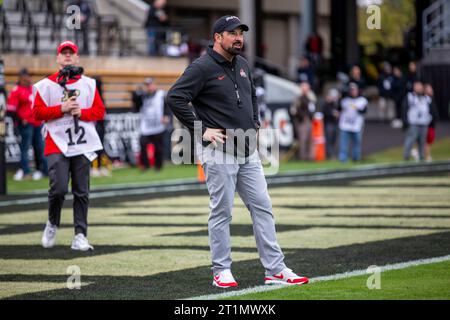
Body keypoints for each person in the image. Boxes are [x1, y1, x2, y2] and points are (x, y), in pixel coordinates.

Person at [166, 15, 309, 288]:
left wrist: (255, 123)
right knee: (222, 212)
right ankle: (221, 269)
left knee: (263, 208)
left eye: (241, 33)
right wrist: (201, 130)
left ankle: (275, 270)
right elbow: (175, 97)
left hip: (247, 150)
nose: (239, 38)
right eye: (232, 33)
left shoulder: (242, 64)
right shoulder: (202, 67)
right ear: (217, 37)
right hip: (219, 151)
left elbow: (252, 96)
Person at [32, 41, 105, 251]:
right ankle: (52, 223)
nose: (67, 57)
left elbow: (100, 112)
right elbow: (36, 114)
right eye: (63, 54)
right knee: (59, 188)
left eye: (70, 54)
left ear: (77, 58)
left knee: (82, 191)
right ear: (57, 58)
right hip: (56, 141)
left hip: (82, 143)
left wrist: (82, 112)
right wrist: (61, 108)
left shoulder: (89, 84)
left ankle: (80, 234)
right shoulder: (45, 85)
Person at [7, 68, 48, 181]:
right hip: (26, 125)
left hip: (37, 123)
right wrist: (20, 120)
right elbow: (10, 110)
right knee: (25, 148)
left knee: (40, 148)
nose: (29, 78)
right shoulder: (16, 90)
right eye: (27, 76)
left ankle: (43, 170)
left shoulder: (33, 89)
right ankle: (25, 171)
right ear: (21, 77)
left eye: (30, 76)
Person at [133, 77, 169, 171]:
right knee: (142, 144)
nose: (149, 87)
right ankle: (145, 165)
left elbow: (167, 106)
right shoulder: (143, 96)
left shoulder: (161, 94)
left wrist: (166, 115)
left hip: (158, 125)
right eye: (147, 85)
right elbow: (136, 107)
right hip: (146, 126)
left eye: (150, 85)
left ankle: (158, 166)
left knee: (158, 147)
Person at [402, 80, 433, 162]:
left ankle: (421, 157)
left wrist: (430, 119)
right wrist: (405, 121)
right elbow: (404, 109)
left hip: (424, 123)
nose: (418, 87)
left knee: (422, 141)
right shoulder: (410, 96)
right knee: (410, 140)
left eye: (420, 86)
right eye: (417, 86)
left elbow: (431, 110)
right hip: (413, 123)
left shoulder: (426, 98)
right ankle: (406, 157)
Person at [338, 82, 368, 163]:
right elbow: (339, 108)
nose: (353, 92)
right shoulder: (345, 100)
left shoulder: (362, 100)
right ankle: (343, 159)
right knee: (344, 144)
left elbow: (364, 111)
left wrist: (357, 108)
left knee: (356, 144)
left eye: (354, 90)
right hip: (345, 125)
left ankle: (356, 158)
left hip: (356, 125)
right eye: (351, 90)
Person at [290, 82, 316, 161]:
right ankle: (302, 156)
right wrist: (302, 116)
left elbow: (312, 108)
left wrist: (311, 116)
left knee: (310, 139)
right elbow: (294, 110)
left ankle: (310, 156)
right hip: (302, 121)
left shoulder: (310, 98)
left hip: (309, 120)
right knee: (303, 139)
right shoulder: (298, 98)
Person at [321, 88, 340, 159]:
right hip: (328, 124)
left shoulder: (335, 104)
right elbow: (324, 112)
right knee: (328, 139)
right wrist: (333, 114)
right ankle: (329, 155)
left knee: (333, 139)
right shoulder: (325, 104)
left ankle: (330, 154)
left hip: (335, 123)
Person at [424, 83, 439, 162]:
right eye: (429, 89)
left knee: (430, 140)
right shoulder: (425, 100)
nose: (431, 90)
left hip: (432, 123)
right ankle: (427, 156)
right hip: (427, 123)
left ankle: (419, 153)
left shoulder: (431, 99)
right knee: (426, 140)